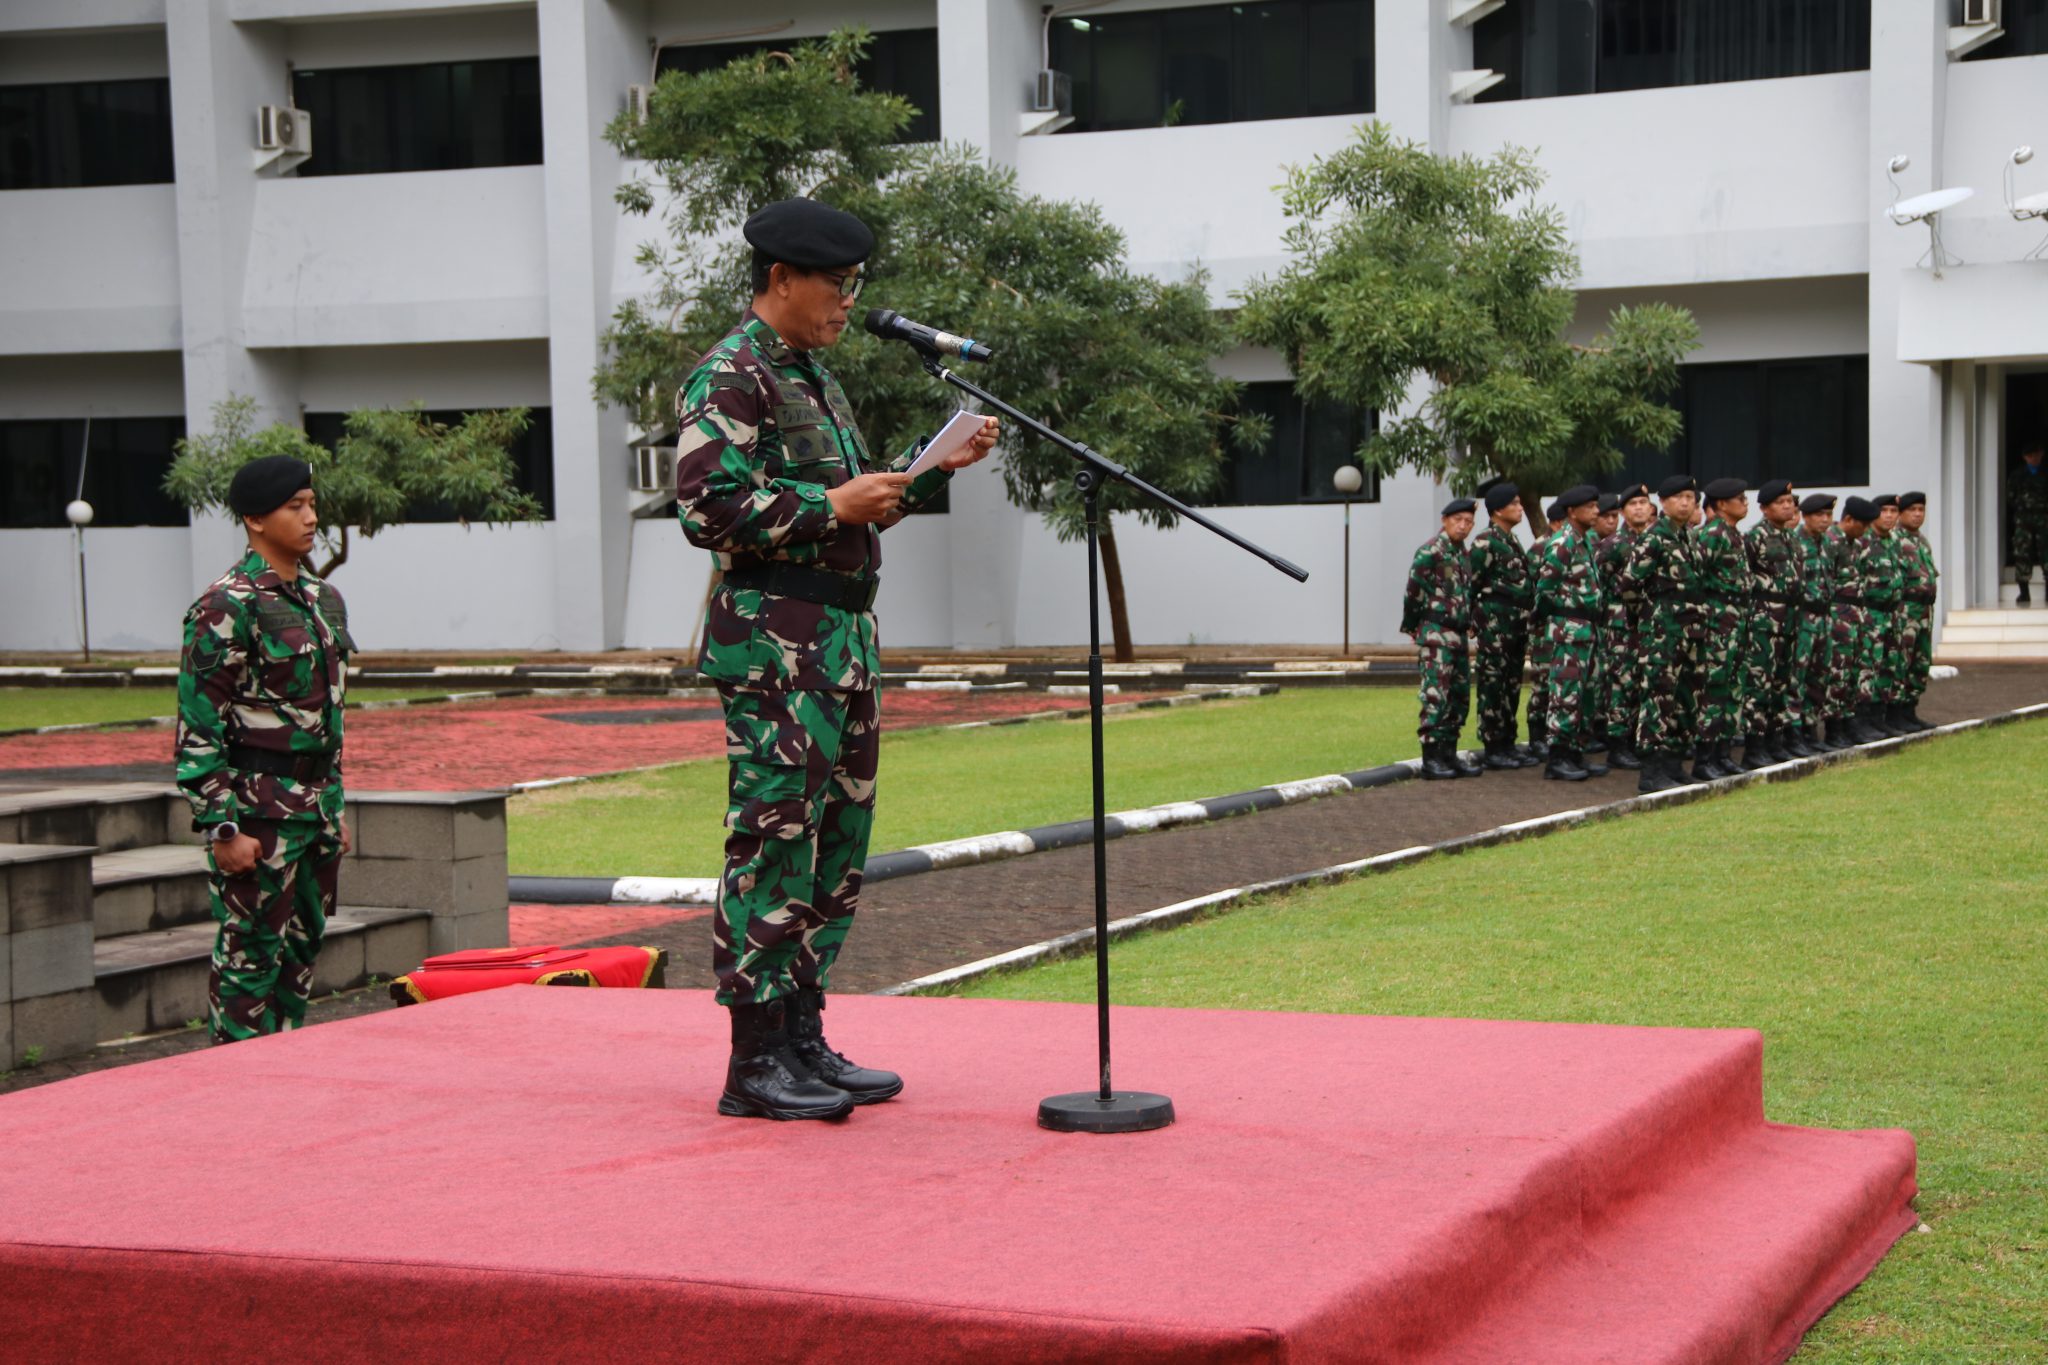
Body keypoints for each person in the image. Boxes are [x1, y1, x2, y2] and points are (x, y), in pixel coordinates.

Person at [676, 198, 1000, 1122]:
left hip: (843, 640)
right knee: (773, 837)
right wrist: (831, 509)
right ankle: (754, 1057)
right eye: (838, 283)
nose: (850, 300)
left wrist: (934, 470)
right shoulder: (730, 376)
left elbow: (858, 499)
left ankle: (803, 1033)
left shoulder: (812, 376)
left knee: (835, 843)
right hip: (776, 644)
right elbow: (707, 510)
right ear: (782, 280)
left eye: (856, 284)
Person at [174, 455, 354, 1046]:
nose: (311, 517)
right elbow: (199, 728)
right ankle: (232, 1089)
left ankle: (283, 1076)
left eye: (311, 503)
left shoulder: (323, 599)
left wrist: (336, 804)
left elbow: (330, 716)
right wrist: (223, 827)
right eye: (294, 506)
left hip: (315, 808)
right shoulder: (227, 605)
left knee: (301, 954)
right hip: (258, 816)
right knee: (249, 960)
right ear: (255, 518)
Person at [1624, 475, 1708, 792]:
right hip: (1662, 632)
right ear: (1664, 502)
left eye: (1690, 497)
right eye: (1679, 497)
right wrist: (1647, 619)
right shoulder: (1653, 539)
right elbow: (1630, 585)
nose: (1686, 503)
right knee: (1658, 698)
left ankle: (1674, 762)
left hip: (1692, 631)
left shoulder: (1689, 538)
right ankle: (1651, 768)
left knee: (1688, 696)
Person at [1402, 497, 1484, 781]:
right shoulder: (1430, 552)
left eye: (1468, 522)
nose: (1463, 526)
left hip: (1458, 635)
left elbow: (1466, 594)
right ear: (1445, 520)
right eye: (1458, 520)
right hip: (1436, 635)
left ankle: (1449, 753)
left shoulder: (1463, 554)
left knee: (1459, 697)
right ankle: (1432, 757)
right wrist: (1414, 628)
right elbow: (1413, 594)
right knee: (1436, 695)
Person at [1534, 485, 1608, 781]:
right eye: (1589, 507)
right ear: (1571, 512)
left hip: (1587, 629)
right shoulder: (1562, 542)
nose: (1596, 511)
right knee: (1565, 694)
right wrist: (1552, 620)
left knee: (1585, 695)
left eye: (1595, 506)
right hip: (1568, 631)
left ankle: (1575, 752)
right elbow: (1545, 587)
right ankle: (1557, 758)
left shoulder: (1585, 541)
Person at [1467, 481, 1537, 769]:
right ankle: (1493, 744)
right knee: (1493, 685)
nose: (1520, 508)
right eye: (1515, 503)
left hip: (1515, 627)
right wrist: (1475, 621)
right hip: (1495, 627)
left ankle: (1507, 742)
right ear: (1498, 509)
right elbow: (1471, 585)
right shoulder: (1485, 542)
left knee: (1510, 684)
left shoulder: (1510, 540)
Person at [1694, 478, 1754, 779]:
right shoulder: (1711, 535)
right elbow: (1697, 579)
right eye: (1739, 498)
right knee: (1713, 690)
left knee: (1733, 688)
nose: (1745, 502)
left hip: (1736, 623)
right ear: (1720, 505)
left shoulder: (1733, 534)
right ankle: (1704, 758)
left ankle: (1723, 752)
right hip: (1717, 624)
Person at [1739, 479, 1800, 768]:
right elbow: (1746, 578)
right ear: (1764, 508)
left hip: (1788, 620)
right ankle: (1755, 746)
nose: (1787, 506)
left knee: (1781, 683)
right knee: (1759, 684)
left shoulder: (1791, 537)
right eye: (1781, 502)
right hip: (1764, 621)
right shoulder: (1755, 537)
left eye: (1790, 501)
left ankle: (1776, 740)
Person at [1597, 483, 1655, 770]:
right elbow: (1602, 584)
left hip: (1648, 621)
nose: (1640, 508)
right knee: (1622, 682)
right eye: (1633, 504)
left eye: (1644, 502)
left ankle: (1636, 738)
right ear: (1622, 511)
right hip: (1620, 624)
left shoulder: (1654, 540)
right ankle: (1617, 744)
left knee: (1643, 682)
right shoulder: (1612, 545)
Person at [1787, 493, 1839, 755]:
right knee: (1798, 676)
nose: (1825, 519)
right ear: (1805, 517)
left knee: (1819, 676)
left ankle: (1811, 728)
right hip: (1803, 618)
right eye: (1819, 515)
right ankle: (1794, 733)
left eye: (1828, 515)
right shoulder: (1796, 543)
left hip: (1823, 619)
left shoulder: (1827, 544)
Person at [1829, 496, 1882, 745]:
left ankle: (1850, 723)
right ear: (1849, 519)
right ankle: (1834, 728)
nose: (1867, 531)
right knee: (1837, 673)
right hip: (1836, 616)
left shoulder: (1854, 544)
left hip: (1854, 617)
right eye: (1863, 525)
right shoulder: (1830, 542)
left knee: (1853, 673)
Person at [1523, 498, 1569, 760]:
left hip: (1562, 627)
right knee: (1542, 682)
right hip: (1544, 628)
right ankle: (1536, 736)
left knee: (1558, 682)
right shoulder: (1541, 548)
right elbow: (1532, 589)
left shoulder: (1567, 545)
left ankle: (1551, 734)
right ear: (1556, 522)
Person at [1858, 494, 1907, 739]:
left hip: (1892, 613)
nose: (1889, 516)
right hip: (1871, 612)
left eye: (1893, 511)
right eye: (1884, 510)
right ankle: (1863, 719)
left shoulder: (1894, 541)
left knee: (1888, 666)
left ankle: (1879, 717)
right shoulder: (1863, 541)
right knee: (1868, 666)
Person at [1894, 491, 1939, 731]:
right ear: (1902, 513)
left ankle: (1910, 710)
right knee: (1902, 661)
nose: (1918, 514)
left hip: (1924, 610)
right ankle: (1896, 713)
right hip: (1906, 611)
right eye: (1912, 510)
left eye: (1921, 510)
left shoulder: (1922, 540)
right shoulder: (1895, 540)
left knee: (1920, 662)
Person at [2009, 439, 2048, 605]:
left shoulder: (2045, 473)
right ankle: (2024, 592)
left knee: (2046, 553)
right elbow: (2011, 497)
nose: (2033, 458)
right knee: (2022, 553)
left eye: (2036, 454)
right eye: (2030, 455)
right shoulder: (2018, 475)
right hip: (2023, 520)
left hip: (2044, 519)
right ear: (2025, 457)